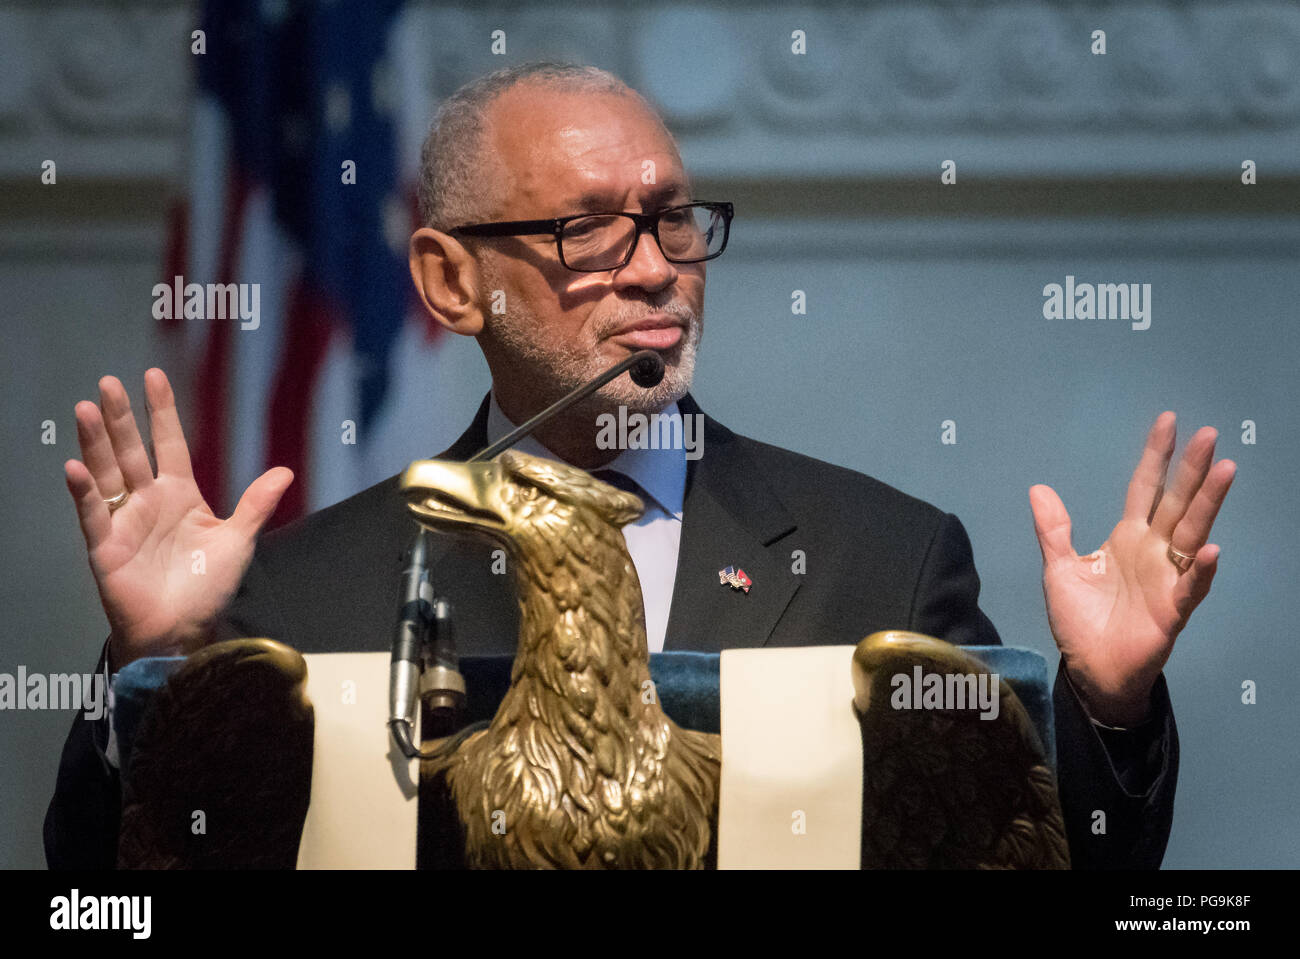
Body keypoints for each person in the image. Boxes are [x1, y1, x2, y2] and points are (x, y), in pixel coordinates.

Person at [46, 63, 1235, 870]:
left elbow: (1066, 866)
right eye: (585, 229)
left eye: (671, 218)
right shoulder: (306, 597)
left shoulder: (885, 556)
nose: (655, 266)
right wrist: (151, 669)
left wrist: (1107, 705)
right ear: (451, 280)